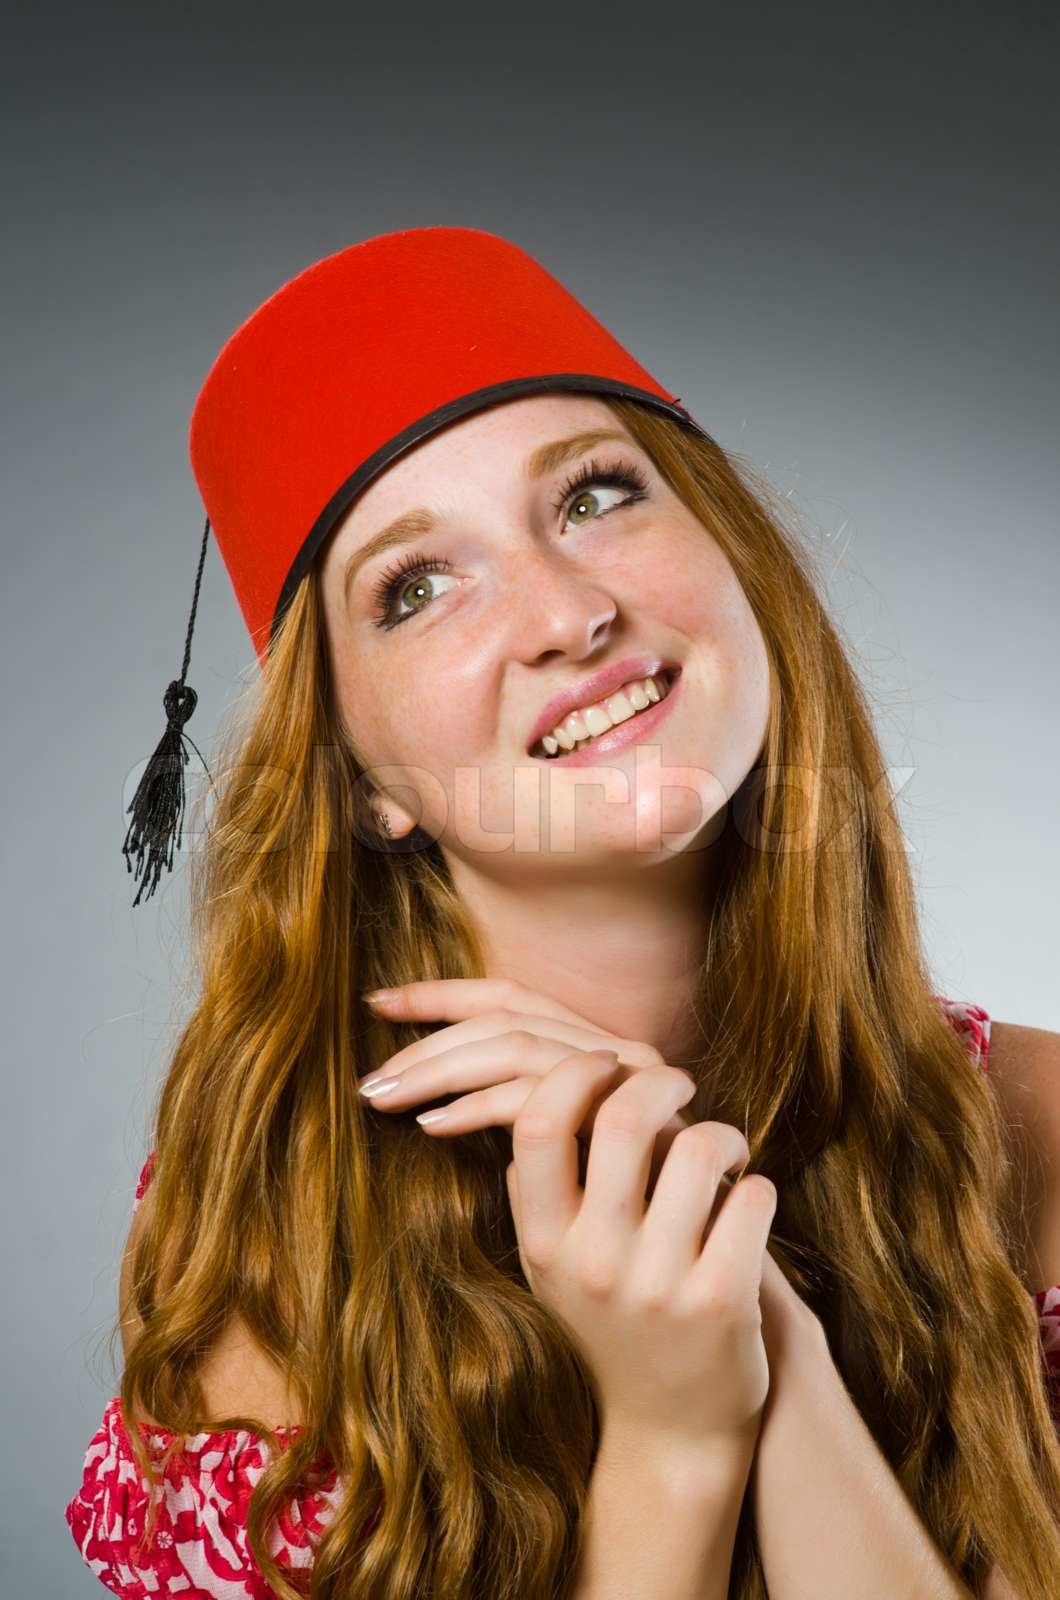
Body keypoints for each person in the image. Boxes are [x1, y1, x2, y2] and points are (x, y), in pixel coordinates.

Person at [66, 228, 1060, 1599]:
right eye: (417, 589)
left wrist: (774, 1345)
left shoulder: (1040, 1131)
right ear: (363, 786)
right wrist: (677, 1438)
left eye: (595, 497)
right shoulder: (263, 1246)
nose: (567, 613)